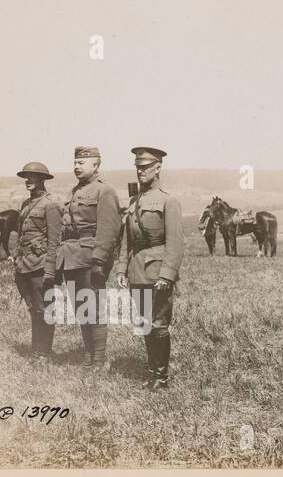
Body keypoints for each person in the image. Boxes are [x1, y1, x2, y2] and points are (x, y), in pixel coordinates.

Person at [116, 146, 183, 390]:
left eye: (145, 167)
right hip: (137, 271)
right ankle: (152, 372)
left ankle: (161, 378)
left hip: (157, 273)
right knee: (144, 323)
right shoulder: (135, 201)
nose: (140, 171)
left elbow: (175, 244)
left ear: (158, 168)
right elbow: (127, 240)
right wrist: (122, 269)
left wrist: (167, 274)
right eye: (137, 167)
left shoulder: (169, 201)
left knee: (159, 324)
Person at [57, 145, 123, 370]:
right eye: (75, 162)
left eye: (81, 163)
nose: (76, 166)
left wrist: (99, 262)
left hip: (90, 256)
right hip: (72, 256)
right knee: (81, 309)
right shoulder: (74, 192)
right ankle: (89, 354)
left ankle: (100, 360)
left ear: (96, 165)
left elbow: (109, 229)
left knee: (94, 309)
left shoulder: (104, 191)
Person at [11, 162, 61, 362]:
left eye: (32, 177)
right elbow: (20, 234)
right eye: (26, 176)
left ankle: (44, 353)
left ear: (42, 180)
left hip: (40, 266)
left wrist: (50, 271)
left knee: (44, 309)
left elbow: (54, 241)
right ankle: (36, 349)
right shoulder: (25, 205)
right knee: (33, 308)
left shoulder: (51, 205)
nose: (28, 180)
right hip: (24, 266)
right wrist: (16, 257)